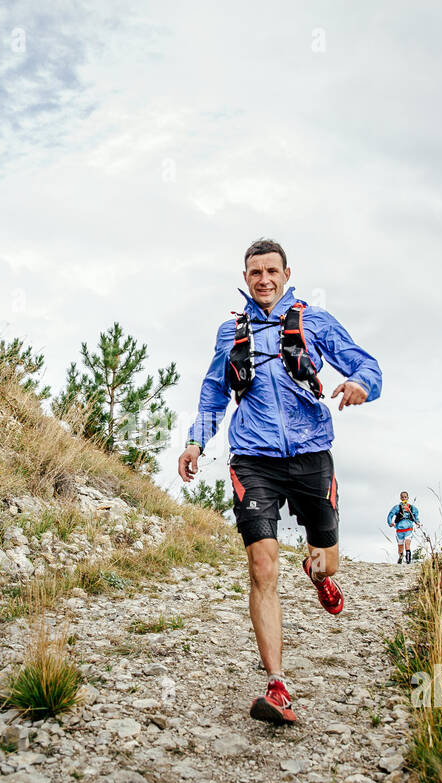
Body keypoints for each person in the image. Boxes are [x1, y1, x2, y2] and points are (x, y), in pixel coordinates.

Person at [178, 238, 382, 725]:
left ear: (287, 273)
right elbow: (213, 393)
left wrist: (359, 386)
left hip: (311, 453)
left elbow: (367, 365)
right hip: (254, 459)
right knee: (262, 568)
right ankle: (277, 685)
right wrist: (196, 442)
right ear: (245, 279)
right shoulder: (231, 332)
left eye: (272, 271)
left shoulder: (315, 321)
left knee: (326, 562)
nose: (264, 279)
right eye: (255, 273)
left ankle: (320, 576)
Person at [387, 492, 419, 563]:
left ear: (407, 498)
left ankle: (408, 561)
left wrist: (417, 522)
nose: (404, 498)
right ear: (400, 498)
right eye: (402, 497)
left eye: (405, 497)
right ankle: (400, 557)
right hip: (400, 530)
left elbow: (415, 517)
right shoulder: (397, 508)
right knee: (400, 546)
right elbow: (390, 515)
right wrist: (390, 523)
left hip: (408, 529)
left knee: (407, 544)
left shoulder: (412, 508)